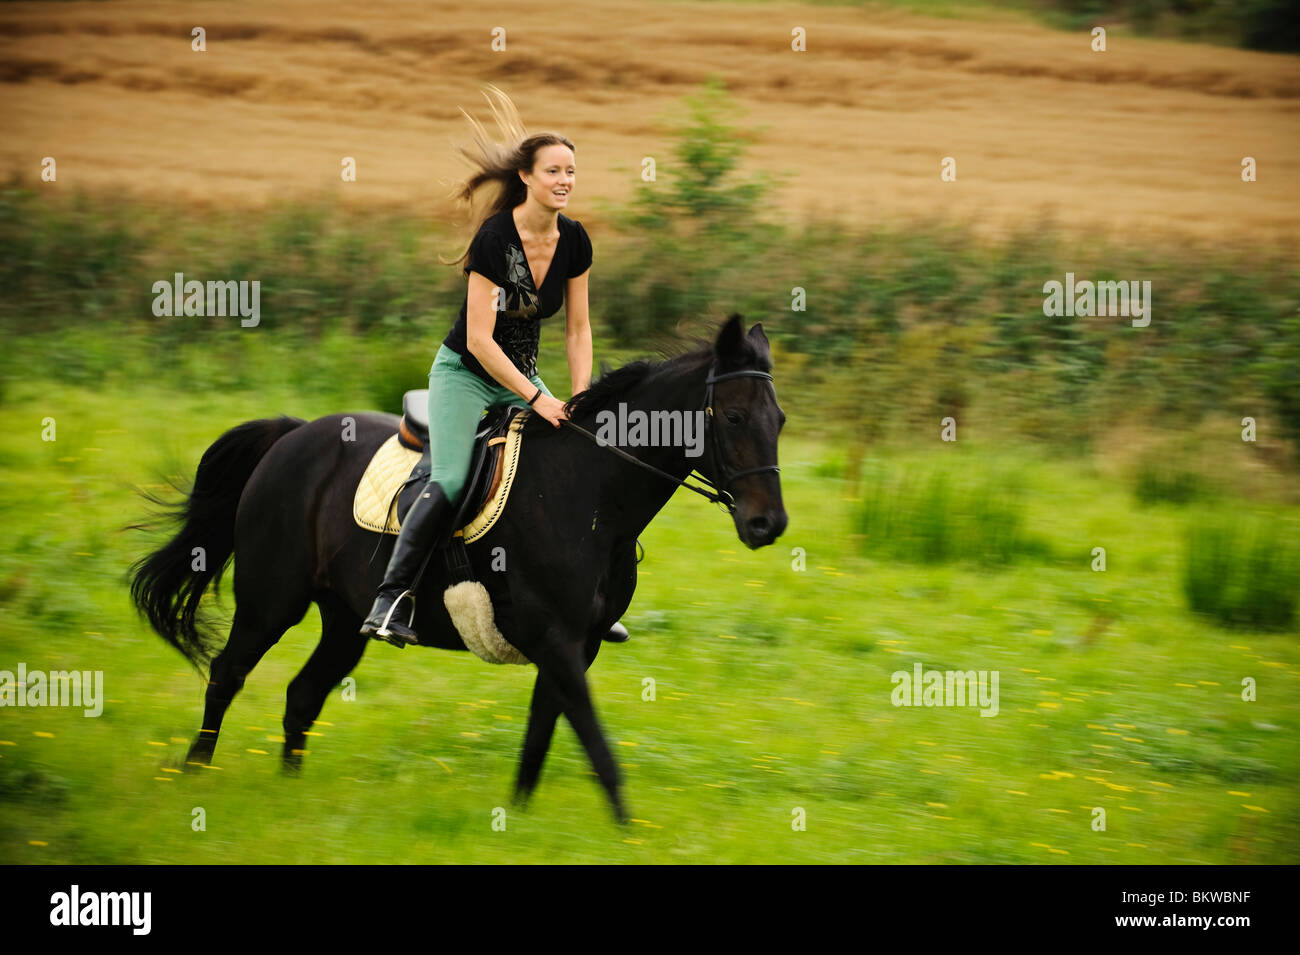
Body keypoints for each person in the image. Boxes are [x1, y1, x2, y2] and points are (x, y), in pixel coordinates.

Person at [361, 85, 600, 647]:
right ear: (526, 177)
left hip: (520, 374)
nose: (565, 181)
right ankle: (390, 599)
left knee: (575, 456)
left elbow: (578, 329)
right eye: (553, 171)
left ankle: (586, 595)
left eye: (572, 171)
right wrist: (540, 398)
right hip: (467, 374)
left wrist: (581, 395)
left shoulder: (575, 240)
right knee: (447, 479)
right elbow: (480, 339)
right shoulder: (494, 240)